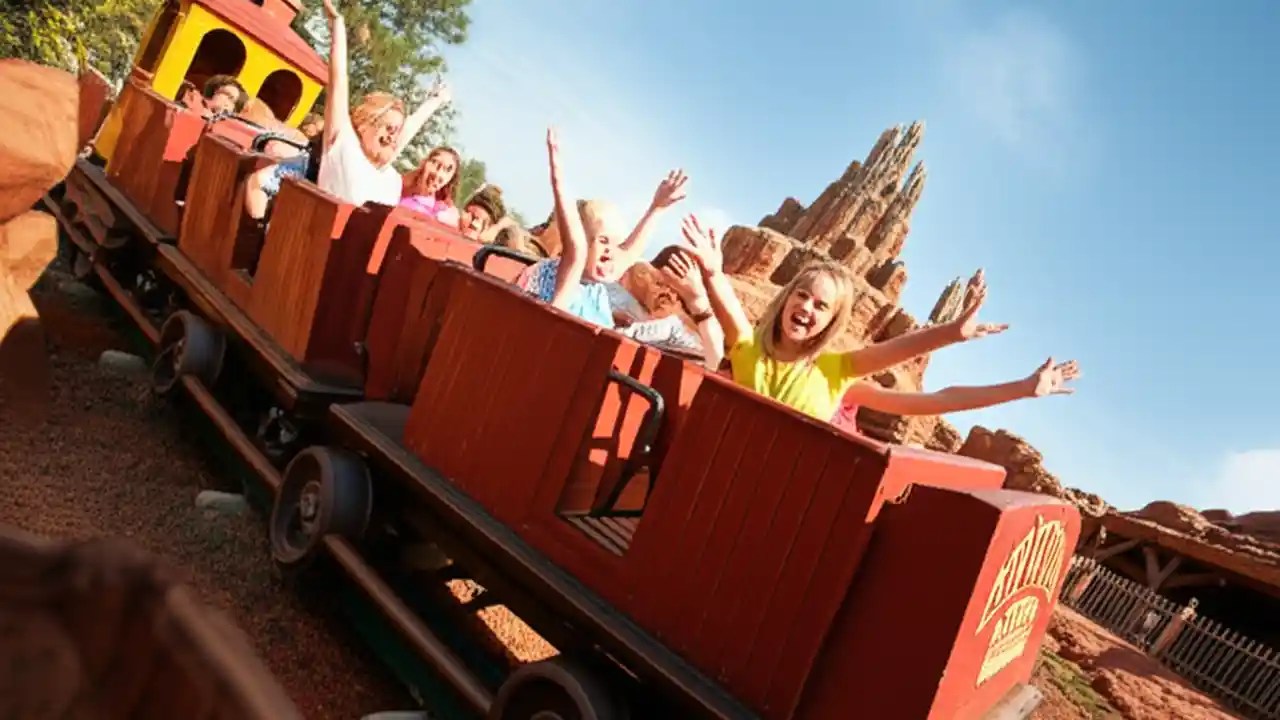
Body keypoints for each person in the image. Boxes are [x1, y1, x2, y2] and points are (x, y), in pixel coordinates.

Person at [678, 214, 1080, 421]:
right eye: (802, 296)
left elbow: (934, 399)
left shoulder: (836, 372)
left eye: (821, 306)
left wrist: (1020, 385)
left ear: (832, 323)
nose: (806, 308)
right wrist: (713, 271)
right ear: (785, 299)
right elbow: (727, 306)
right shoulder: (749, 349)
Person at [526, 127, 722, 368]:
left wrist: (657, 207)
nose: (611, 251)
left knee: (669, 330)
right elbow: (575, 252)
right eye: (602, 241)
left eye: (616, 244)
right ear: (584, 240)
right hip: (552, 355)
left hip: (588, 359)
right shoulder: (565, 277)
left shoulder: (597, 288)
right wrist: (559, 182)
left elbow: (630, 251)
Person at [316, 0, 452, 208]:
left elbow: (410, 128)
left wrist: (435, 101)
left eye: (396, 132)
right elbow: (338, 82)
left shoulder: (390, 177)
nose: (393, 137)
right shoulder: (343, 145)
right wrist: (338, 25)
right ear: (365, 125)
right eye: (388, 128)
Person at [399, 146, 462, 225]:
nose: (438, 174)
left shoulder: (445, 214)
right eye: (434, 162)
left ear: (451, 179)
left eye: (447, 170)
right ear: (424, 162)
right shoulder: (395, 186)